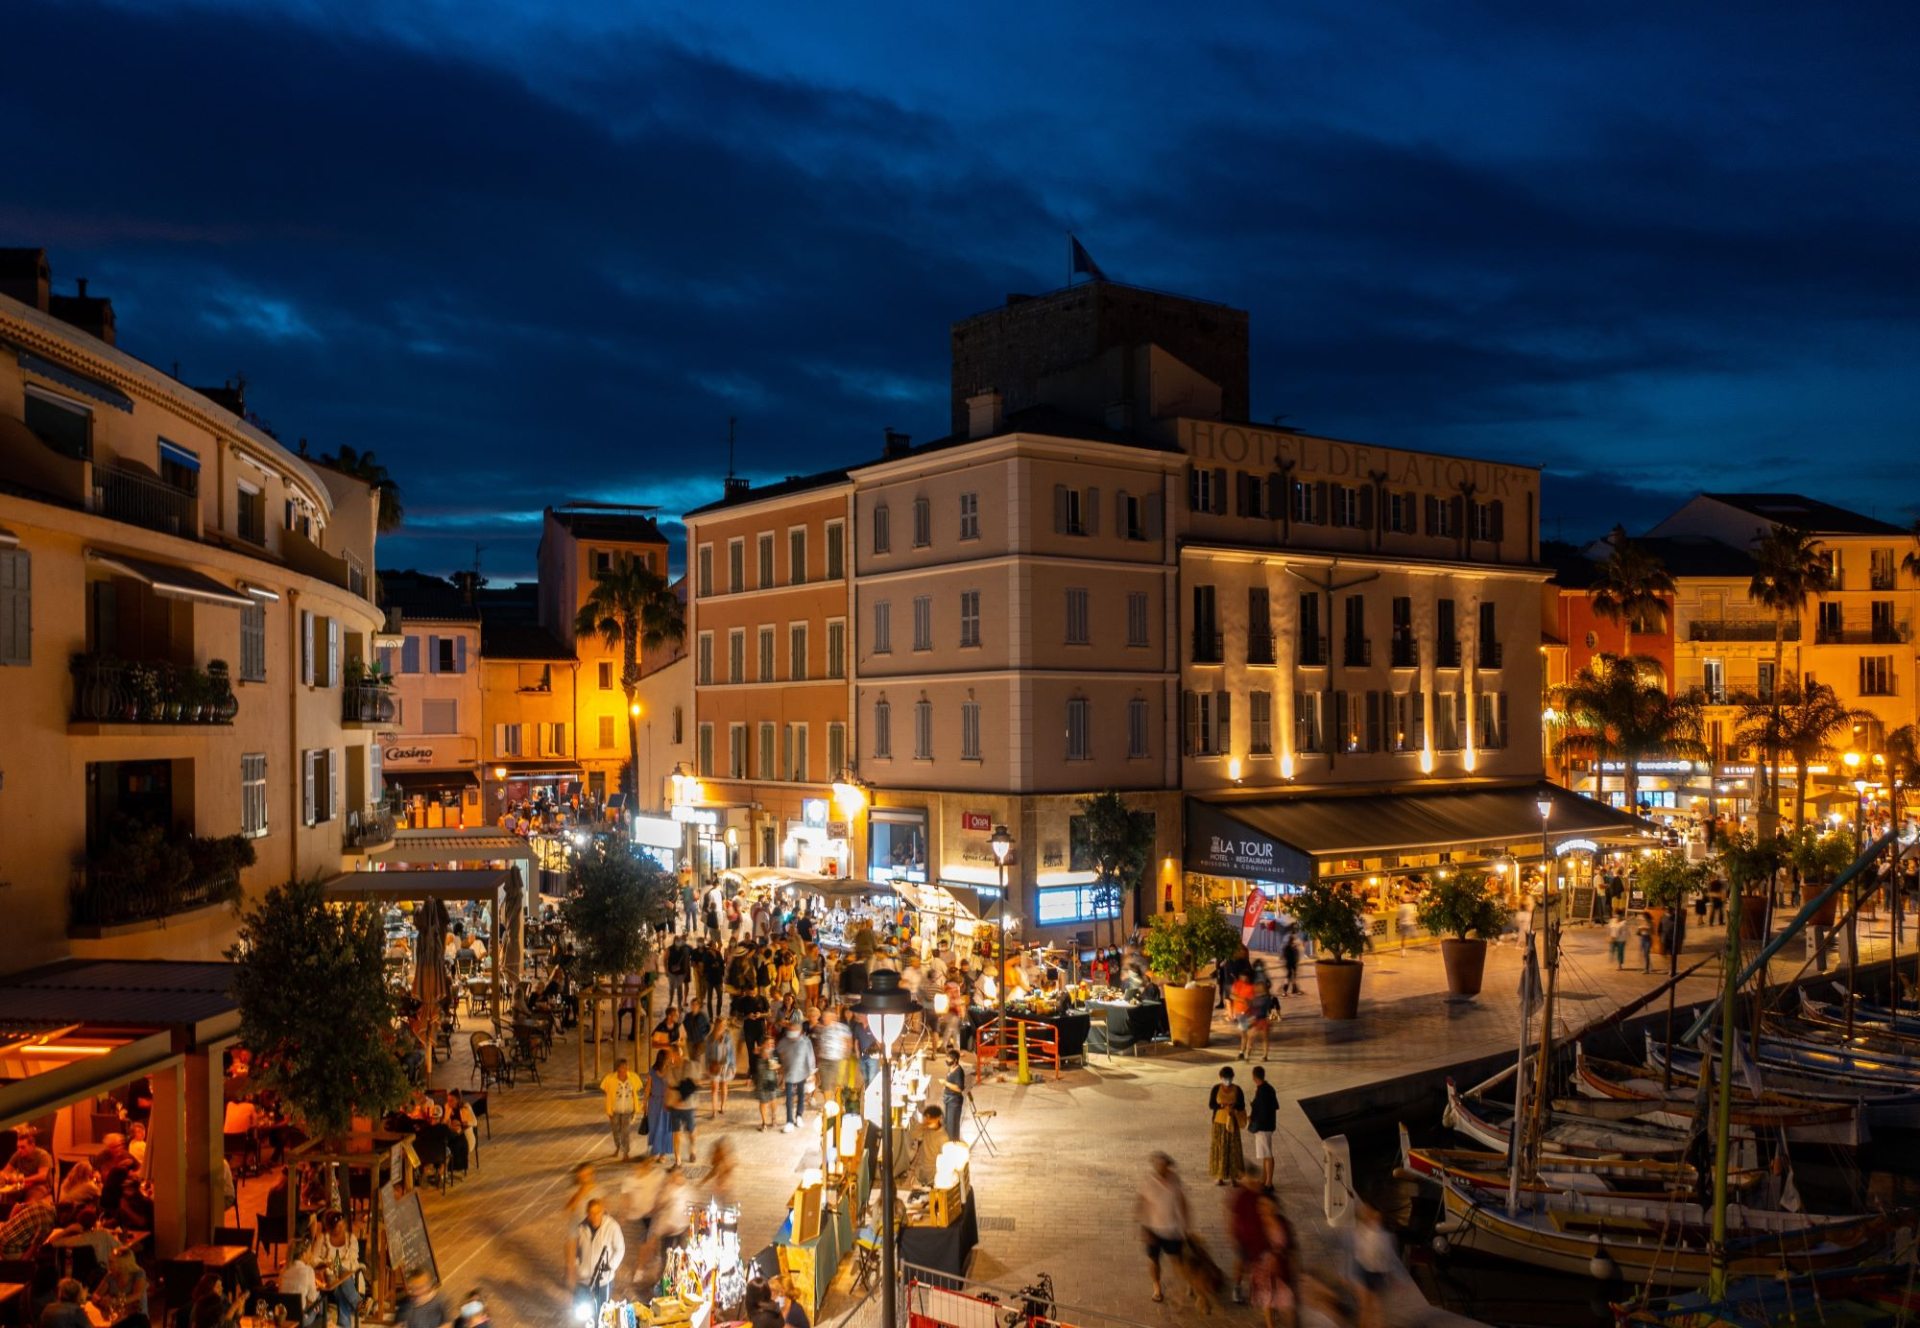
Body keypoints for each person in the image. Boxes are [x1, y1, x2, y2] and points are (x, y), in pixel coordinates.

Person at [1135, 1152, 1191, 1305]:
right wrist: (1143, 1227)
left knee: (1177, 1261)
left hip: (1172, 1229)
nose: (1160, 1168)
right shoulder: (1148, 1181)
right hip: (1153, 1228)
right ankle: (1157, 1288)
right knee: (1154, 1260)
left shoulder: (1175, 1180)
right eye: (1157, 1165)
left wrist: (1184, 1225)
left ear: (1168, 1166)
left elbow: (1182, 1202)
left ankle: (1181, 1287)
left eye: (1163, 1165)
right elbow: (1141, 1202)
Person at [568, 1198, 624, 1325]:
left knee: (601, 1313)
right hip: (584, 1279)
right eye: (591, 1213)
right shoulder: (581, 1227)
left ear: (602, 1211)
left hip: (603, 1280)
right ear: (587, 1214)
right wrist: (577, 1266)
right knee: (580, 1312)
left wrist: (611, 1266)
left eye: (597, 1212)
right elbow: (576, 1249)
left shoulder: (612, 1226)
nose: (594, 1216)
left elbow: (620, 1248)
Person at [1250, 1193, 1298, 1328]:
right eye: (1260, 1205)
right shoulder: (1257, 1225)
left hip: (1281, 1270)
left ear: (1274, 1206)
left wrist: (1291, 1263)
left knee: (1288, 1303)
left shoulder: (1282, 1223)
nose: (1262, 1208)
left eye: (1265, 1205)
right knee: (1267, 1301)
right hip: (1263, 1271)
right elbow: (1253, 1248)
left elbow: (1291, 1245)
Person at [315, 1211, 363, 1328]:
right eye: (339, 1226)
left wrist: (335, 1264)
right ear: (332, 1227)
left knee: (342, 1282)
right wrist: (326, 1263)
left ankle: (344, 1323)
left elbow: (352, 1259)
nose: (342, 1228)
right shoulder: (323, 1239)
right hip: (331, 1281)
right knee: (339, 1284)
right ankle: (357, 1303)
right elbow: (314, 1258)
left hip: (350, 1277)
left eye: (343, 1225)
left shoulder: (351, 1239)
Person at [1227, 1169, 1267, 1306]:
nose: (1255, 1183)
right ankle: (1237, 1287)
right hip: (1244, 1238)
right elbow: (1233, 1218)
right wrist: (1232, 1236)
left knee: (1257, 1265)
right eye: (1252, 1180)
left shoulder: (1262, 1194)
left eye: (1256, 1180)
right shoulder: (1241, 1196)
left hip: (1260, 1238)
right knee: (1242, 1263)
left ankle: (1255, 1290)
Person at [1208, 1067, 1247, 1185]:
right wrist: (1221, 1106)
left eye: (1229, 1078)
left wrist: (1233, 1107)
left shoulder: (1237, 1089)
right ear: (1220, 1077)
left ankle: (1234, 1177)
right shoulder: (1216, 1089)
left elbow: (1242, 1105)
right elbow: (1211, 1105)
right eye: (1225, 1078)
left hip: (1232, 1124)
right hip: (1219, 1123)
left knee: (1233, 1150)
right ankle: (1220, 1176)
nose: (1227, 1081)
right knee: (1220, 1149)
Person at [778, 1018, 816, 1132]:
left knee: (801, 1095)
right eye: (790, 1029)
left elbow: (810, 1056)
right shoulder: (784, 1041)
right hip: (789, 1073)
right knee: (789, 1098)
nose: (792, 1032)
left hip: (802, 1072)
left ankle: (799, 1116)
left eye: (795, 1030)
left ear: (800, 1031)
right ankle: (789, 1121)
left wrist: (811, 1073)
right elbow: (777, 1053)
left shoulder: (806, 1041)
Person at [94, 1246, 150, 1322]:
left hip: (138, 1318)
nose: (108, 1265)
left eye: (111, 1262)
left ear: (122, 1263)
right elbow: (96, 1295)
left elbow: (137, 1295)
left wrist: (114, 1301)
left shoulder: (139, 1273)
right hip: (117, 1318)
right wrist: (102, 1301)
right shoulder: (110, 1276)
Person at [600, 1058, 642, 1161]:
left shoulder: (633, 1078)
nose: (624, 1069)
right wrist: (609, 1109)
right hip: (615, 1110)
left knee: (625, 1132)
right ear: (617, 1068)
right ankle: (618, 1146)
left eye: (626, 1066)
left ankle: (626, 1152)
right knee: (616, 1130)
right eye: (622, 1066)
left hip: (628, 1109)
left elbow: (636, 1091)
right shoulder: (609, 1079)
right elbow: (607, 1094)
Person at [0, 1181, 54, 1256]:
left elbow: (17, 1206)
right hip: (9, 1250)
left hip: (4, 1238)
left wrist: (8, 1226)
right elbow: (30, 1253)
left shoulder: (42, 1205)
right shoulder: (47, 1222)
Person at [1247, 1065, 1279, 1188]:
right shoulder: (1269, 1088)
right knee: (1265, 1153)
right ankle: (1264, 1179)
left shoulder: (1261, 1091)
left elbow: (1261, 1110)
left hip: (1263, 1126)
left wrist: (1252, 1117)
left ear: (1254, 1077)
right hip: (1269, 1124)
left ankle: (1269, 1182)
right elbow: (1275, 1106)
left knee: (1268, 1154)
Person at [277, 1241, 321, 1327]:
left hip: (285, 1317)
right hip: (301, 1319)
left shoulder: (283, 1270)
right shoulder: (308, 1270)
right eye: (309, 1252)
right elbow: (312, 1299)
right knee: (320, 1299)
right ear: (303, 1254)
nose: (311, 1255)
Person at [667, 1055, 700, 1166]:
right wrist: (666, 1101)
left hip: (688, 1106)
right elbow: (668, 1086)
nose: (675, 1059)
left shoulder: (689, 1067)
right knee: (676, 1133)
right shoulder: (670, 1069)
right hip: (674, 1106)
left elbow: (695, 1084)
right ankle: (678, 1159)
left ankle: (693, 1149)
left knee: (691, 1131)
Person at [907, 1106, 946, 1186]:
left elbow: (944, 1161)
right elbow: (913, 1135)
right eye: (926, 1119)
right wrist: (923, 1125)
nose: (927, 1122)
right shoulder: (926, 1129)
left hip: (933, 1175)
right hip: (921, 1171)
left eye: (930, 1120)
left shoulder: (943, 1137)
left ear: (938, 1118)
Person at [941, 1049, 966, 1142]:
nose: (947, 1060)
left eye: (949, 1058)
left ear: (955, 1060)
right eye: (947, 1058)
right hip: (948, 1098)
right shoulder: (951, 1068)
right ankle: (949, 1143)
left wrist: (946, 1083)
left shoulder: (959, 1071)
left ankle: (953, 1143)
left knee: (952, 1124)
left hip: (954, 1101)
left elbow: (959, 1088)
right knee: (947, 1123)